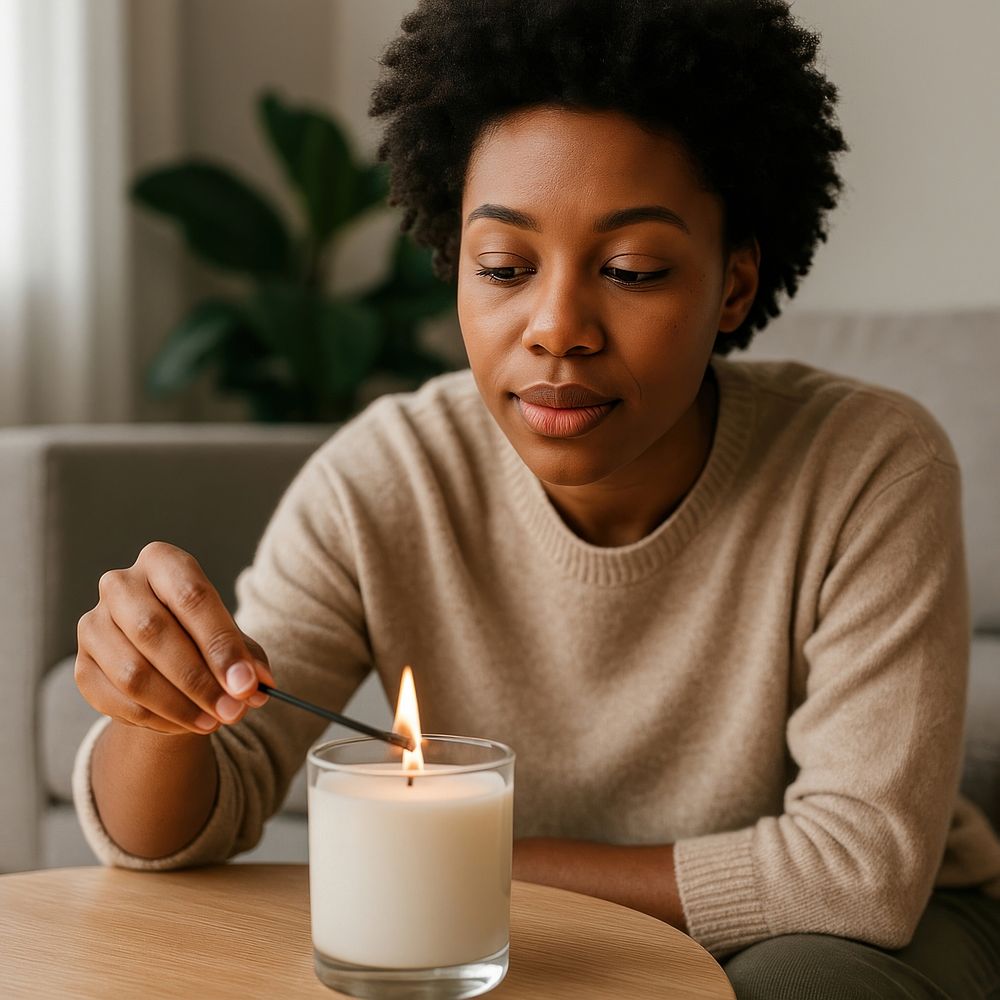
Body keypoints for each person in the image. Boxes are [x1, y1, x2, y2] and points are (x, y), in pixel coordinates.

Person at [73, 1, 1000, 996]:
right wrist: (152, 711)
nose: (556, 327)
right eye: (504, 267)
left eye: (631, 270)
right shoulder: (385, 478)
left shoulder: (867, 465)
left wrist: (456, 863)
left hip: (821, 945)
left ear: (733, 288)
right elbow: (179, 829)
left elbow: (856, 880)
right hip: (491, 931)